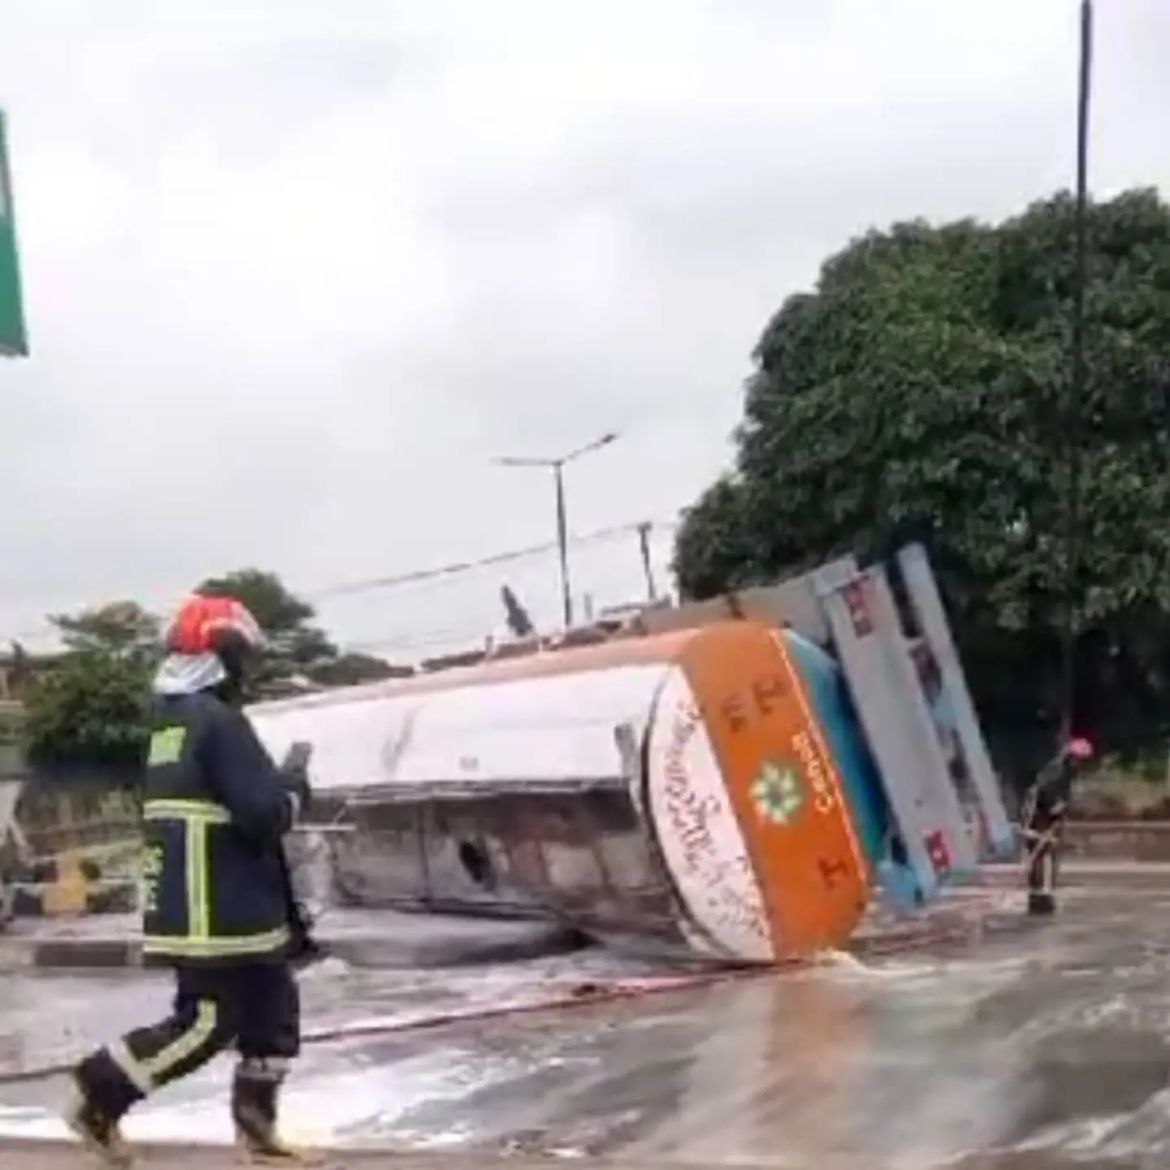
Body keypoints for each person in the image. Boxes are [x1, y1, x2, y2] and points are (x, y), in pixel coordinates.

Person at [64, 593, 316, 1167]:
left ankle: (258, 1135)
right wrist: (296, 785)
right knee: (207, 1021)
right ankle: (97, 1091)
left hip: (213, 903)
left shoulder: (172, 721)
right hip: (221, 908)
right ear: (227, 657)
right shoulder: (219, 722)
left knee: (272, 1013)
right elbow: (261, 814)